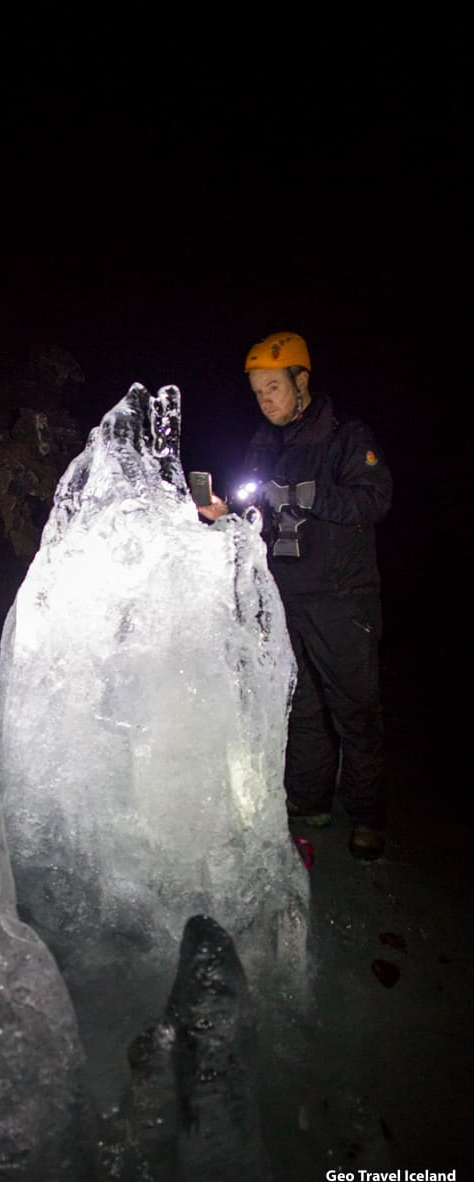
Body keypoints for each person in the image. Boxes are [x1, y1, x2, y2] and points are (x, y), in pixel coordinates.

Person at [198, 332, 392, 860]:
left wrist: (310, 495)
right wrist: (227, 515)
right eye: (258, 392)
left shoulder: (347, 436)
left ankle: (367, 817)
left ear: (301, 381)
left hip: (342, 596)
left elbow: (375, 499)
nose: (266, 401)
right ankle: (311, 801)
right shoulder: (265, 441)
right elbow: (258, 511)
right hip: (286, 595)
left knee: (355, 707)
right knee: (301, 703)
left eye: (274, 388)